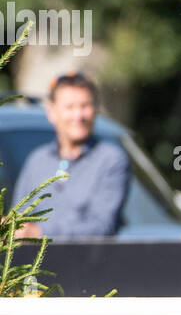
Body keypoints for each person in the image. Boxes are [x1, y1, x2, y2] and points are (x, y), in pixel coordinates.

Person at [13, 73, 130, 239]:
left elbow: (102, 227)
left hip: (87, 262)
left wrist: (39, 233)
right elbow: (18, 218)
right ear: (51, 112)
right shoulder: (37, 160)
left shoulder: (110, 159)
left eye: (85, 106)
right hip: (34, 263)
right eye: (70, 107)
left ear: (96, 109)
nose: (78, 116)